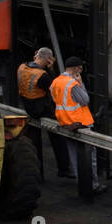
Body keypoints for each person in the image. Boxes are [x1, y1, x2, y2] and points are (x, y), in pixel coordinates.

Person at [51, 57, 106, 201]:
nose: (81, 71)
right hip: (80, 123)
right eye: (80, 68)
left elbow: (55, 98)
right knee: (90, 157)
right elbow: (85, 100)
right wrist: (80, 83)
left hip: (65, 122)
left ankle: (80, 182)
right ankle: (93, 184)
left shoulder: (56, 81)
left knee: (74, 155)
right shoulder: (73, 83)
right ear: (75, 69)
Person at [17, 47, 71, 179]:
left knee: (34, 141)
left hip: (27, 106)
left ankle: (38, 173)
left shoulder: (22, 67)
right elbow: (55, 87)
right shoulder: (42, 75)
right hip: (40, 109)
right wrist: (51, 69)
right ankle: (64, 168)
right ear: (48, 60)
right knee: (57, 136)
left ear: (36, 55)